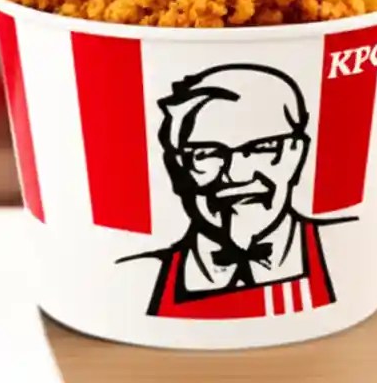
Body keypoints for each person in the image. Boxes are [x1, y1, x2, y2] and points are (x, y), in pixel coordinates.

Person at [119, 64, 351, 319]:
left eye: (264, 147)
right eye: (206, 154)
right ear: (176, 169)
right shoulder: (138, 275)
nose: (237, 175)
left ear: (297, 155)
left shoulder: (347, 248)